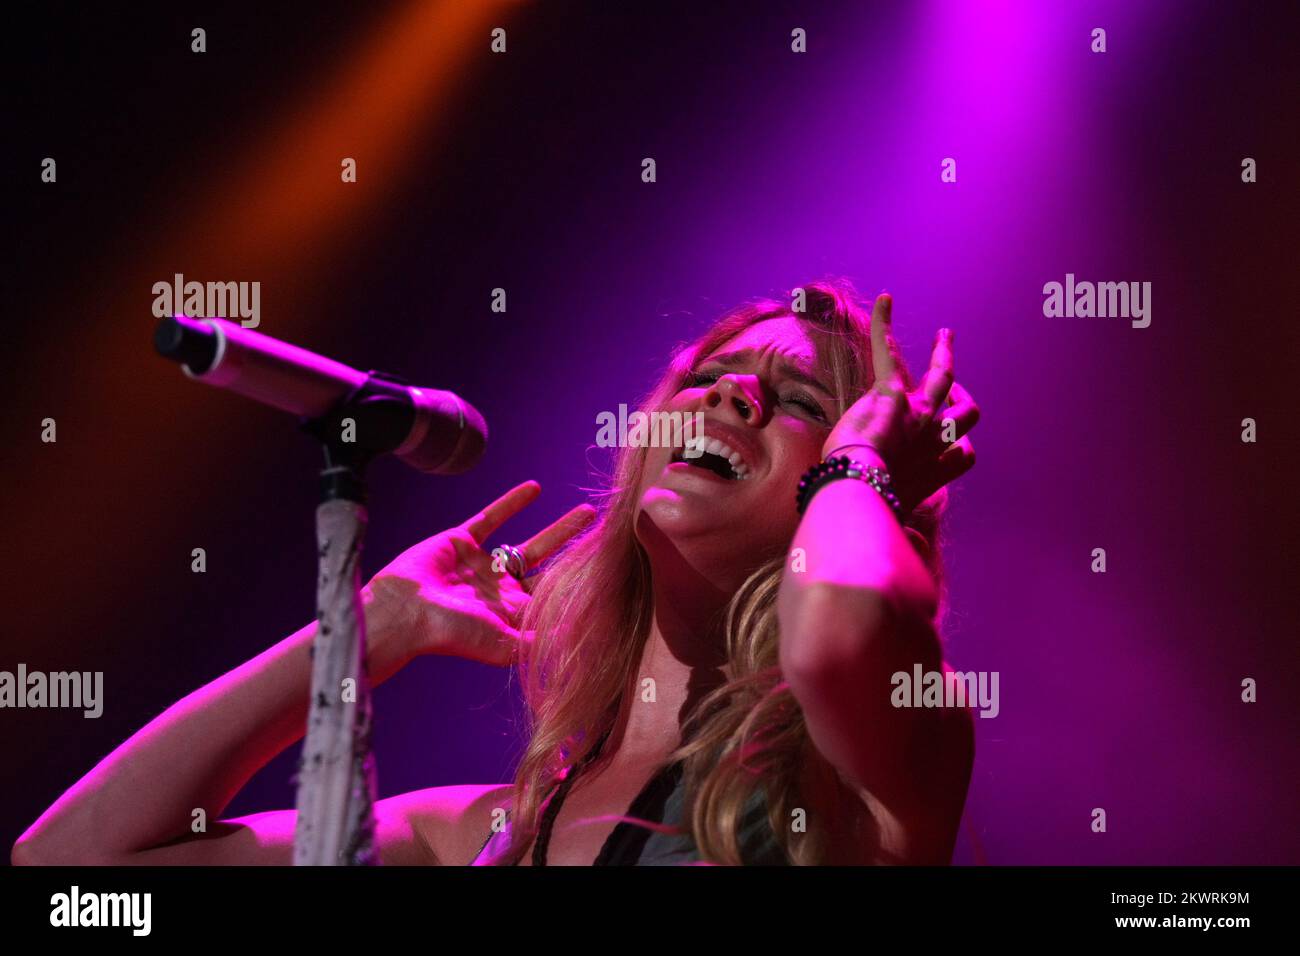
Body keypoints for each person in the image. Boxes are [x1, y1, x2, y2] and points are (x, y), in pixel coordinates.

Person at [12, 278, 979, 866]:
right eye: (705, 378)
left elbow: (840, 631)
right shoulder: (480, 832)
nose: (731, 392)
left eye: (799, 398)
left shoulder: (862, 758)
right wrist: (371, 624)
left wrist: (867, 468)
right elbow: (77, 869)